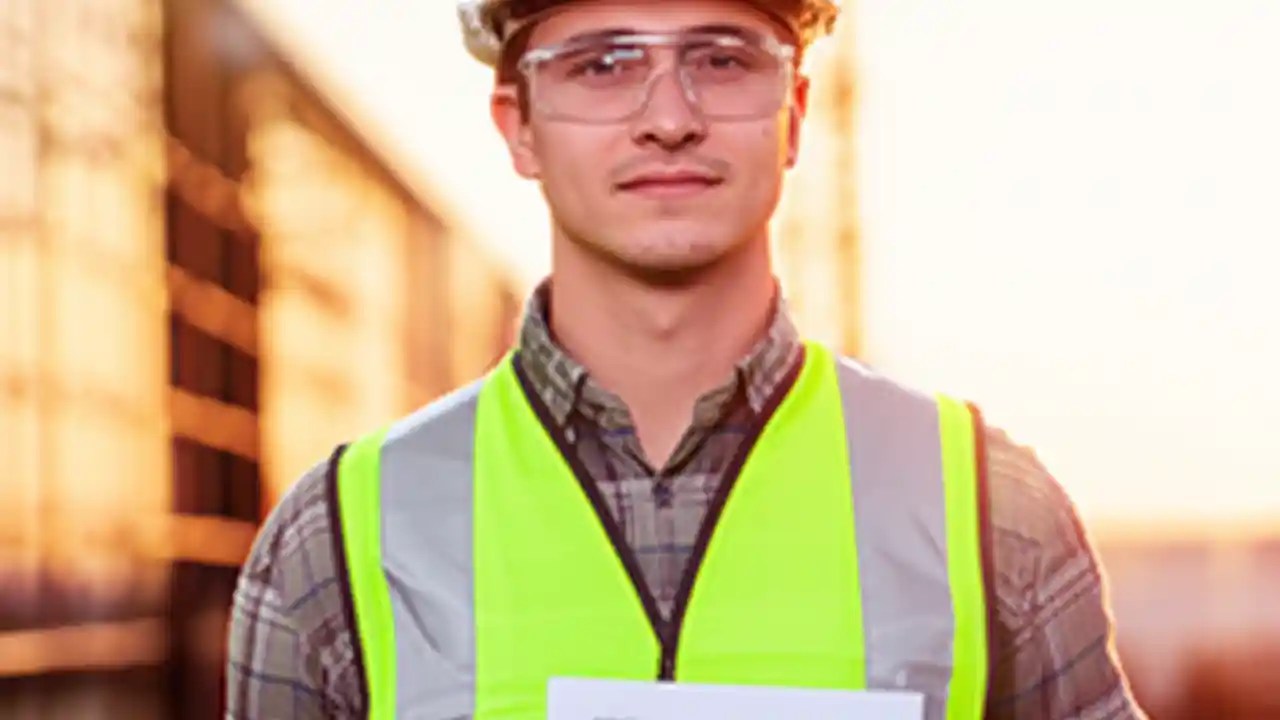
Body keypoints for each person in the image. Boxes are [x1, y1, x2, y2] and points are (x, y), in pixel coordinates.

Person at [225, 0, 1148, 718]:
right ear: (518, 125)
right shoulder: (337, 539)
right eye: (603, 64)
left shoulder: (992, 514)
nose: (669, 117)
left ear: (792, 113)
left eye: (721, 58)